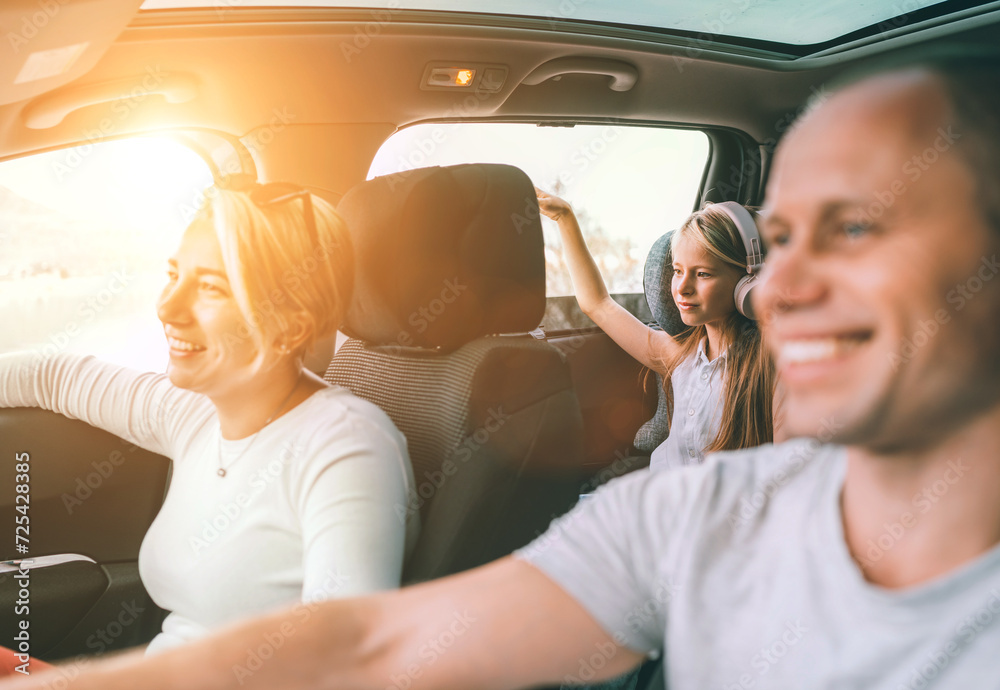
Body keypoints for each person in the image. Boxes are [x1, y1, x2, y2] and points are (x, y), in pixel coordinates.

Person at [5, 48, 1000, 690]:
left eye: (857, 228)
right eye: (779, 243)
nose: (776, 291)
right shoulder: (685, 519)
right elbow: (364, 648)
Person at [0, 179, 419, 671]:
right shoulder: (195, 413)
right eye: (173, 275)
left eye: (212, 287)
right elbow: (52, 376)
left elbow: (340, 663)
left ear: (292, 325)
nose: (167, 308)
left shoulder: (347, 448)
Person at [535, 191, 777, 470]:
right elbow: (598, 304)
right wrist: (565, 218)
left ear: (751, 282)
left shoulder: (770, 369)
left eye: (703, 274)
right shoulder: (678, 356)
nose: (682, 287)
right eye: (677, 270)